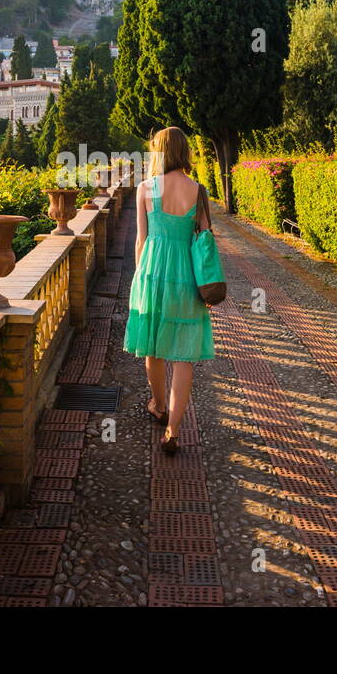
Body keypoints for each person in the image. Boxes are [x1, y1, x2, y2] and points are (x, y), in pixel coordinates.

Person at [123, 126, 215, 454]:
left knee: (154, 346)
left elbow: (140, 240)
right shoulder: (198, 191)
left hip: (152, 273)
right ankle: (173, 431)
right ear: (184, 151)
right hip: (186, 275)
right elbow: (204, 236)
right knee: (185, 355)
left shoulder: (146, 189)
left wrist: (139, 277)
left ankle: (159, 407)